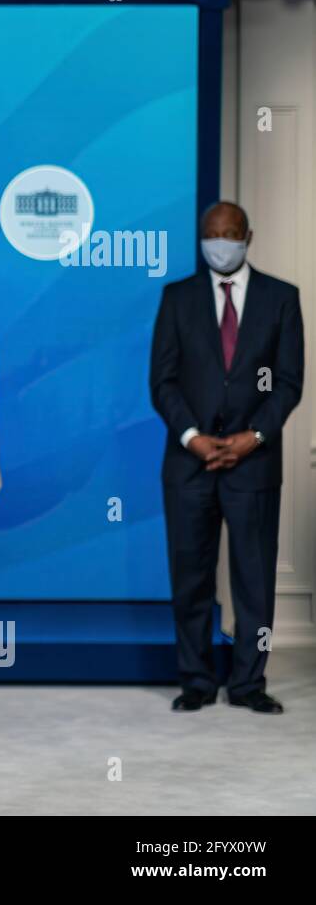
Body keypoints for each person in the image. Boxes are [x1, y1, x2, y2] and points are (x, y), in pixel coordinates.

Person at [150, 201, 303, 714]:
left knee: (254, 584)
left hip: (254, 465)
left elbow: (287, 383)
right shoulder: (176, 299)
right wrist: (192, 436)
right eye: (211, 235)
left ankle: (248, 684)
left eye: (230, 234)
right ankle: (196, 681)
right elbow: (162, 381)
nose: (220, 243)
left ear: (248, 237)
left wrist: (252, 437)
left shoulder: (282, 299)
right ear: (201, 238)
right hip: (188, 463)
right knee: (190, 577)